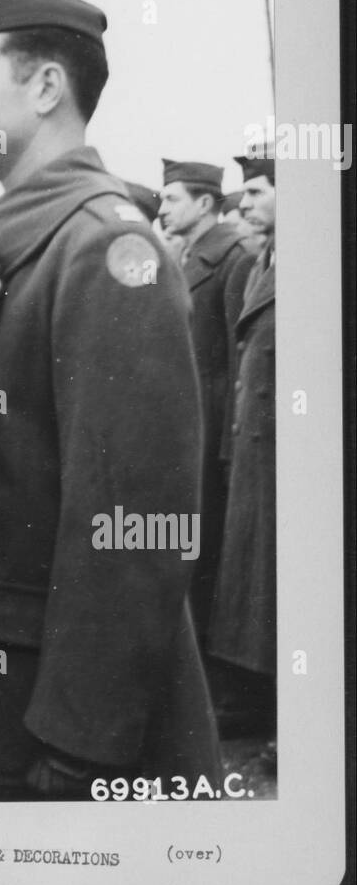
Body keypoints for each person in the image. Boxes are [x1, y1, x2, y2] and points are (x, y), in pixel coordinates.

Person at [0, 0, 219, 801]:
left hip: (51, 721)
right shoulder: (18, 239)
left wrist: (85, 741)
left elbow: (137, 522)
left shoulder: (105, 248)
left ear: (47, 88)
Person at [158, 160, 257, 643]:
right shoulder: (187, 255)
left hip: (210, 421)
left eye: (172, 198)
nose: (162, 208)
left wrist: (227, 447)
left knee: (205, 544)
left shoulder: (232, 258)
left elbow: (239, 357)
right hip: (183, 423)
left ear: (203, 203)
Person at [208, 152, 276, 742]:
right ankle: (252, 699)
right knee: (250, 581)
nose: (245, 203)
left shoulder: (308, 265)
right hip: (253, 445)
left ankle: (283, 711)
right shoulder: (263, 264)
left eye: (256, 191)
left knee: (275, 580)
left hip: (284, 451)